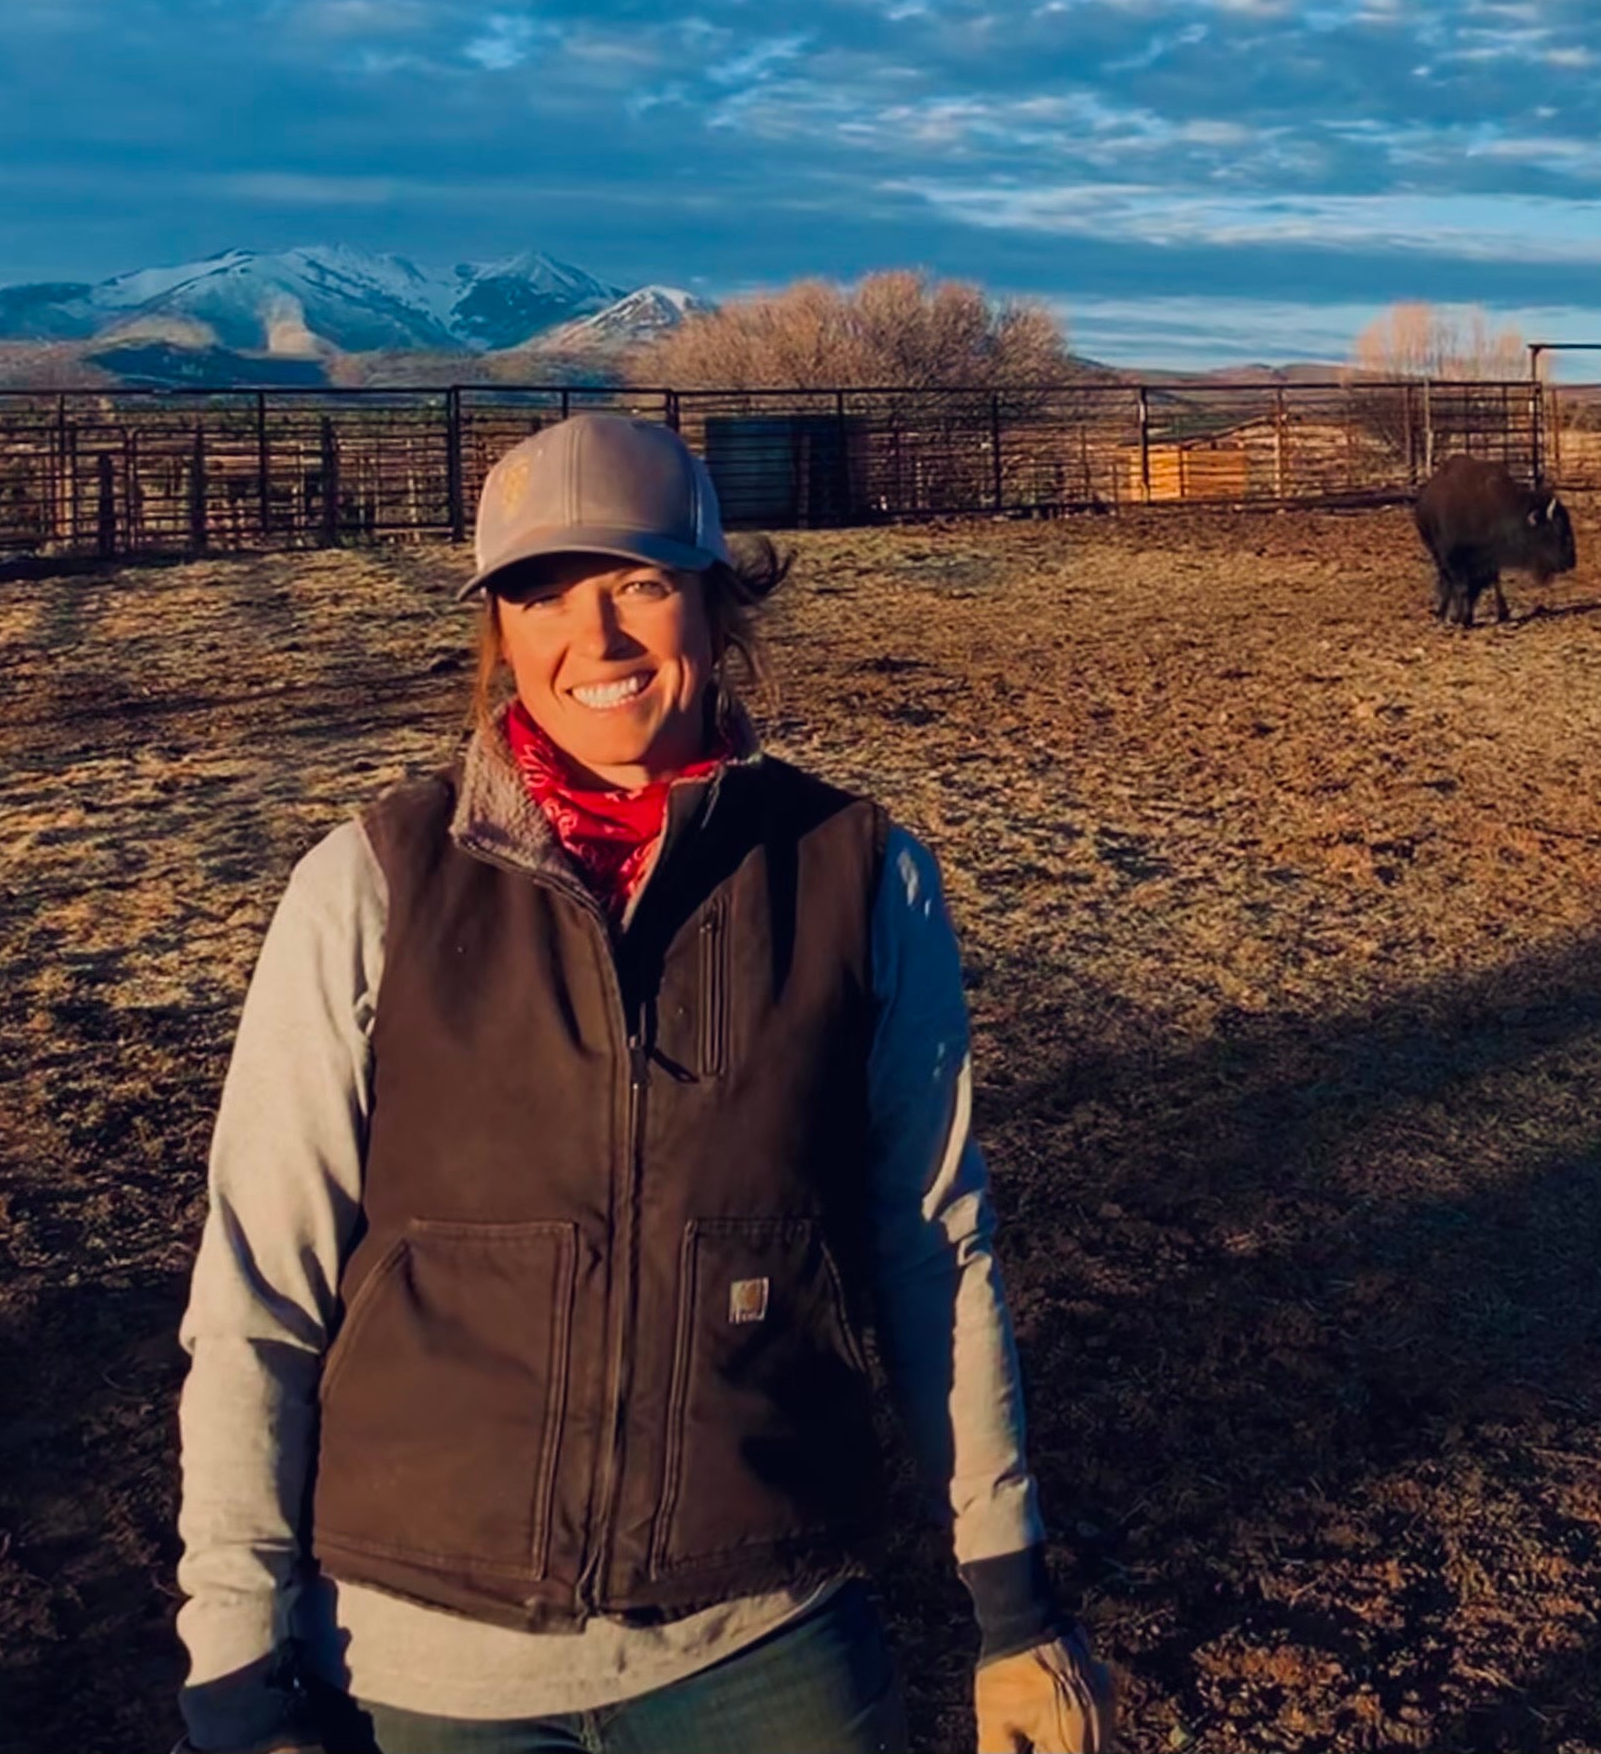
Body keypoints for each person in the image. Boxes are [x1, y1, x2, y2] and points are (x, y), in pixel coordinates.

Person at [174, 412, 1113, 1754]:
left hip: (764, 1646)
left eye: (641, 584)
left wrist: (1014, 1606)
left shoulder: (859, 878)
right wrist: (234, 1671)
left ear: (718, 607)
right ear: (497, 627)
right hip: (418, 1672)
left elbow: (933, 1251)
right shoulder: (372, 886)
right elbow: (260, 1291)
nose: (594, 640)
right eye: (542, 592)